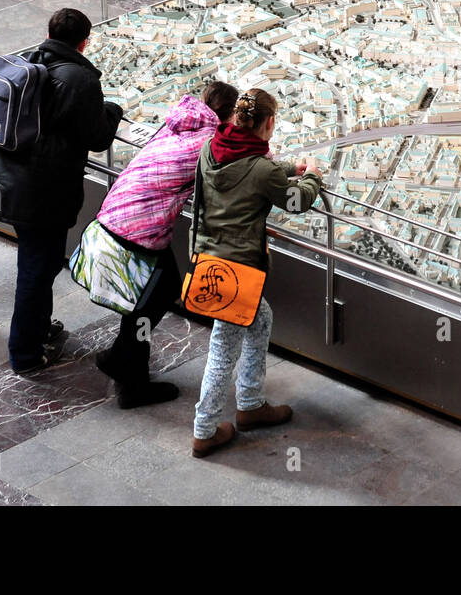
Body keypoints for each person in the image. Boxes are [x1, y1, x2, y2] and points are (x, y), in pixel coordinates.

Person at [190, 89, 322, 458]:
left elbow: (249, 171)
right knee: (222, 346)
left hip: (210, 257)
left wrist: (284, 169)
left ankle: (251, 402)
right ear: (269, 123)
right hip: (238, 269)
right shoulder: (260, 168)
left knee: (261, 319)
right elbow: (295, 201)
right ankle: (205, 429)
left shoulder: (212, 149)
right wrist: (312, 176)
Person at [0, 8, 123, 374]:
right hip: (44, 192)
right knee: (36, 269)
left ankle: (39, 329)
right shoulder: (80, 80)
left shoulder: (29, 63)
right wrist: (112, 110)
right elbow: (97, 136)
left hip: (11, 181)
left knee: (40, 262)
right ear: (84, 41)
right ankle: (26, 354)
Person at [92, 81, 239, 408]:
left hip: (119, 207)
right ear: (228, 116)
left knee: (154, 293)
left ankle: (123, 359)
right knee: (154, 294)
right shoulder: (210, 141)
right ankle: (129, 379)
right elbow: (237, 168)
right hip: (140, 226)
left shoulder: (177, 122)